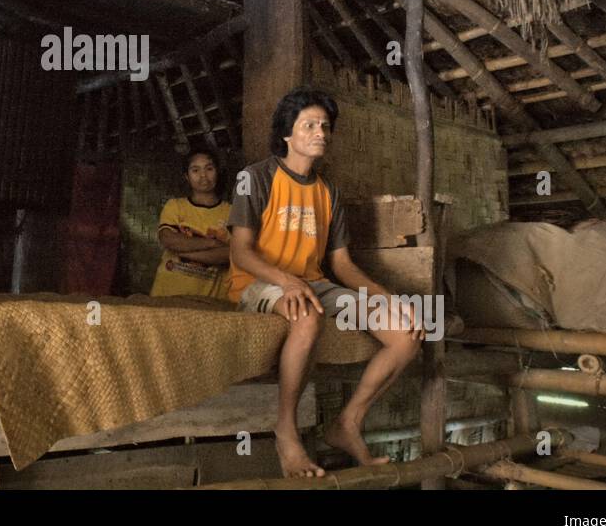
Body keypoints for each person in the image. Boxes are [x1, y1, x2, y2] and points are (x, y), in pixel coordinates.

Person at [228, 86, 423, 478]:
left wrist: (391, 300)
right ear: (287, 133)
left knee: (406, 333)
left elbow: (343, 265)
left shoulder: (327, 192)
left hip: (315, 284)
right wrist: (286, 281)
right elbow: (240, 252)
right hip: (260, 282)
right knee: (306, 316)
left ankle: (347, 423)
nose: (321, 132)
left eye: (325, 126)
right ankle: (286, 431)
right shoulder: (255, 177)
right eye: (310, 125)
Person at [150, 148, 232, 301]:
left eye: (209, 168)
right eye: (195, 170)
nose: (203, 175)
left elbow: (229, 255)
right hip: (166, 298)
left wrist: (183, 250)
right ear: (186, 176)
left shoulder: (231, 212)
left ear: (217, 172)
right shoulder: (175, 206)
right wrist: (212, 243)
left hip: (210, 302)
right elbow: (168, 239)